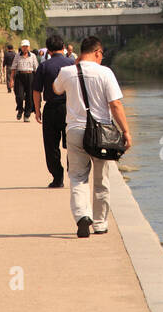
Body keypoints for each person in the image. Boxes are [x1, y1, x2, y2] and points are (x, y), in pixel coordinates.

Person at [51, 35, 132, 238]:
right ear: (97, 52)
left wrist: (74, 67)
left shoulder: (67, 71)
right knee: (101, 179)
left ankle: (82, 216)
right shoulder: (105, 72)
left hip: (74, 131)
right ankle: (100, 223)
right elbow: (115, 104)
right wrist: (126, 131)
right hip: (101, 133)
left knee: (78, 176)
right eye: (101, 54)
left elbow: (55, 89)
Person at [32, 33, 74, 188]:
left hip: (51, 109)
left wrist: (37, 110)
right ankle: (73, 172)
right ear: (63, 47)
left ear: (48, 50)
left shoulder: (44, 66)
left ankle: (57, 177)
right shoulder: (72, 64)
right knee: (72, 143)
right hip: (70, 108)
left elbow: (36, 90)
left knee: (51, 145)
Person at [11, 40, 38, 121]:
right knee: (19, 96)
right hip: (20, 76)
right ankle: (20, 109)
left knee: (29, 96)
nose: (25, 48)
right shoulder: (17, 56)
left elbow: (36, 68)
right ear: (21, 47)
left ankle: (27, 115)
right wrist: (11, 80)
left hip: (30, 76)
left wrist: (38, 80)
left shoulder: (33, 56)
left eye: (26, 46)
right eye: (23, 46)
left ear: (29, 47)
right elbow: (13, 68)